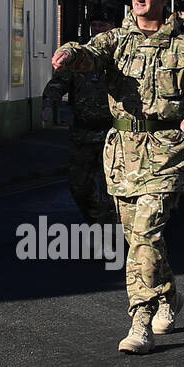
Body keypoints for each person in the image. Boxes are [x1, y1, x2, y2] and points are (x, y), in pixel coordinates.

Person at [51, 0, 184, 354]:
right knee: (138, 239)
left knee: (145, 233)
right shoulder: (115, 41)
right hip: (122, 153)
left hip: (166, 150)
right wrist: (69, 53)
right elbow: (90, 54)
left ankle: (140, 318)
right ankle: (168, 295)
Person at [41, 20, 114, 224]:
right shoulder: (80, 57)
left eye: (103, 26)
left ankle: (108, 227)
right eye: (95, 25)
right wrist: (49, 104)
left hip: (112, 136)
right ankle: (96, 219)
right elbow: (58, 84)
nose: (98, 30)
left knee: (110, 189)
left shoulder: (118, 57)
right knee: (78, 185)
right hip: (83, 133)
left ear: (111, 29)